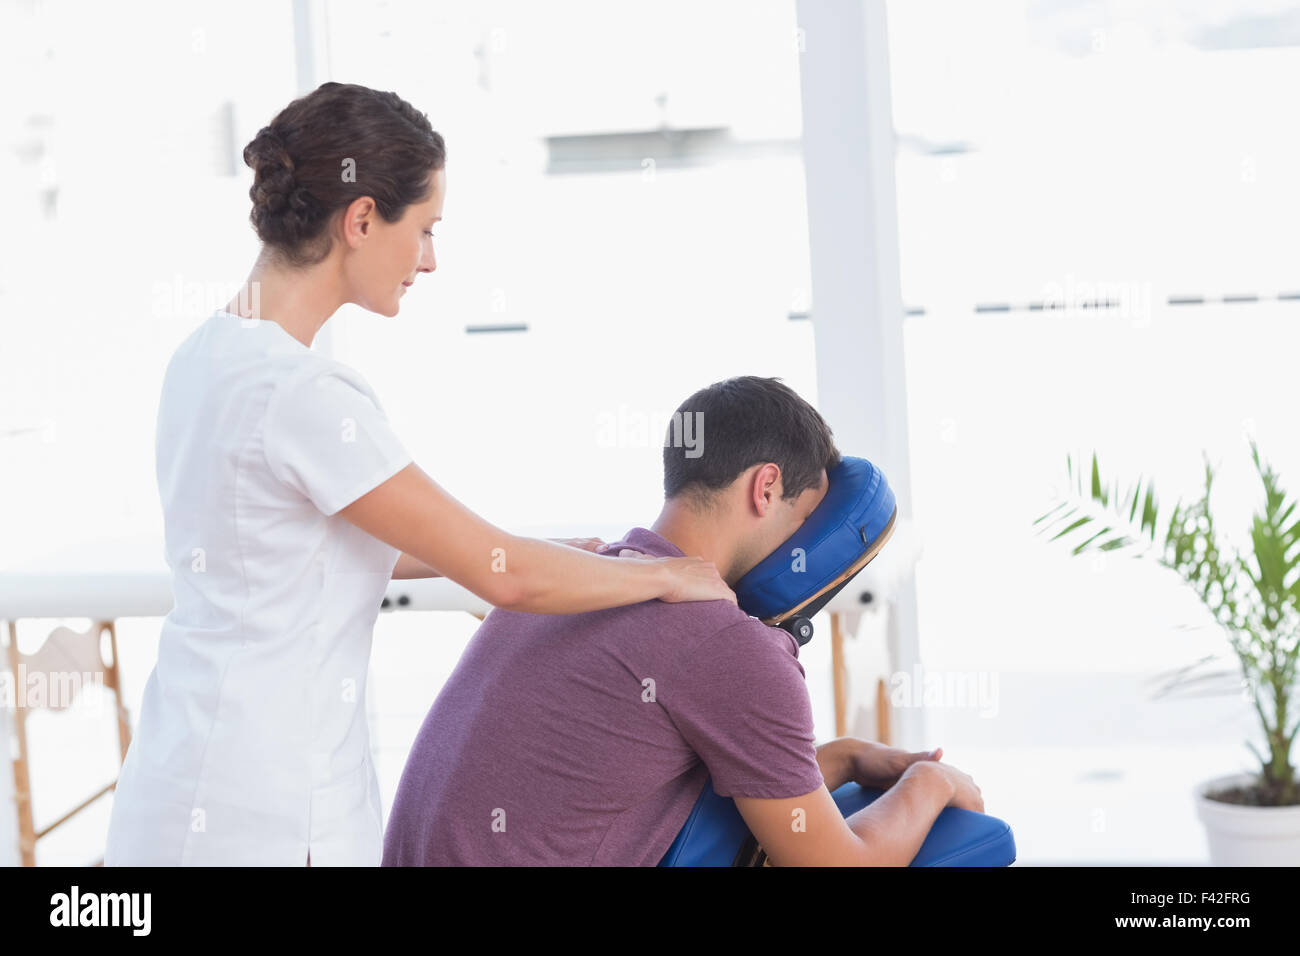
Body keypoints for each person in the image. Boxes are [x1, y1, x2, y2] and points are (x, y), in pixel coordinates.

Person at [104, 82, 733, 868]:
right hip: (269, 812)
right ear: (362, 218)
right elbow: (506, 579)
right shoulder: (303, 394)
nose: (431, 260)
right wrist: (668, 578)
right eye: (425, 229)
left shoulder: (206, 355)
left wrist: (543, 555)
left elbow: (316, 547)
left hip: (178, 782)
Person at [381, 376, 984, 866]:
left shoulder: (565, 582)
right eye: (807, 516)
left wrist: (848, 755)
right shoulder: (725, 642)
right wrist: (933, 783)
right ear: (766, 487)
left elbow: (648, 790)